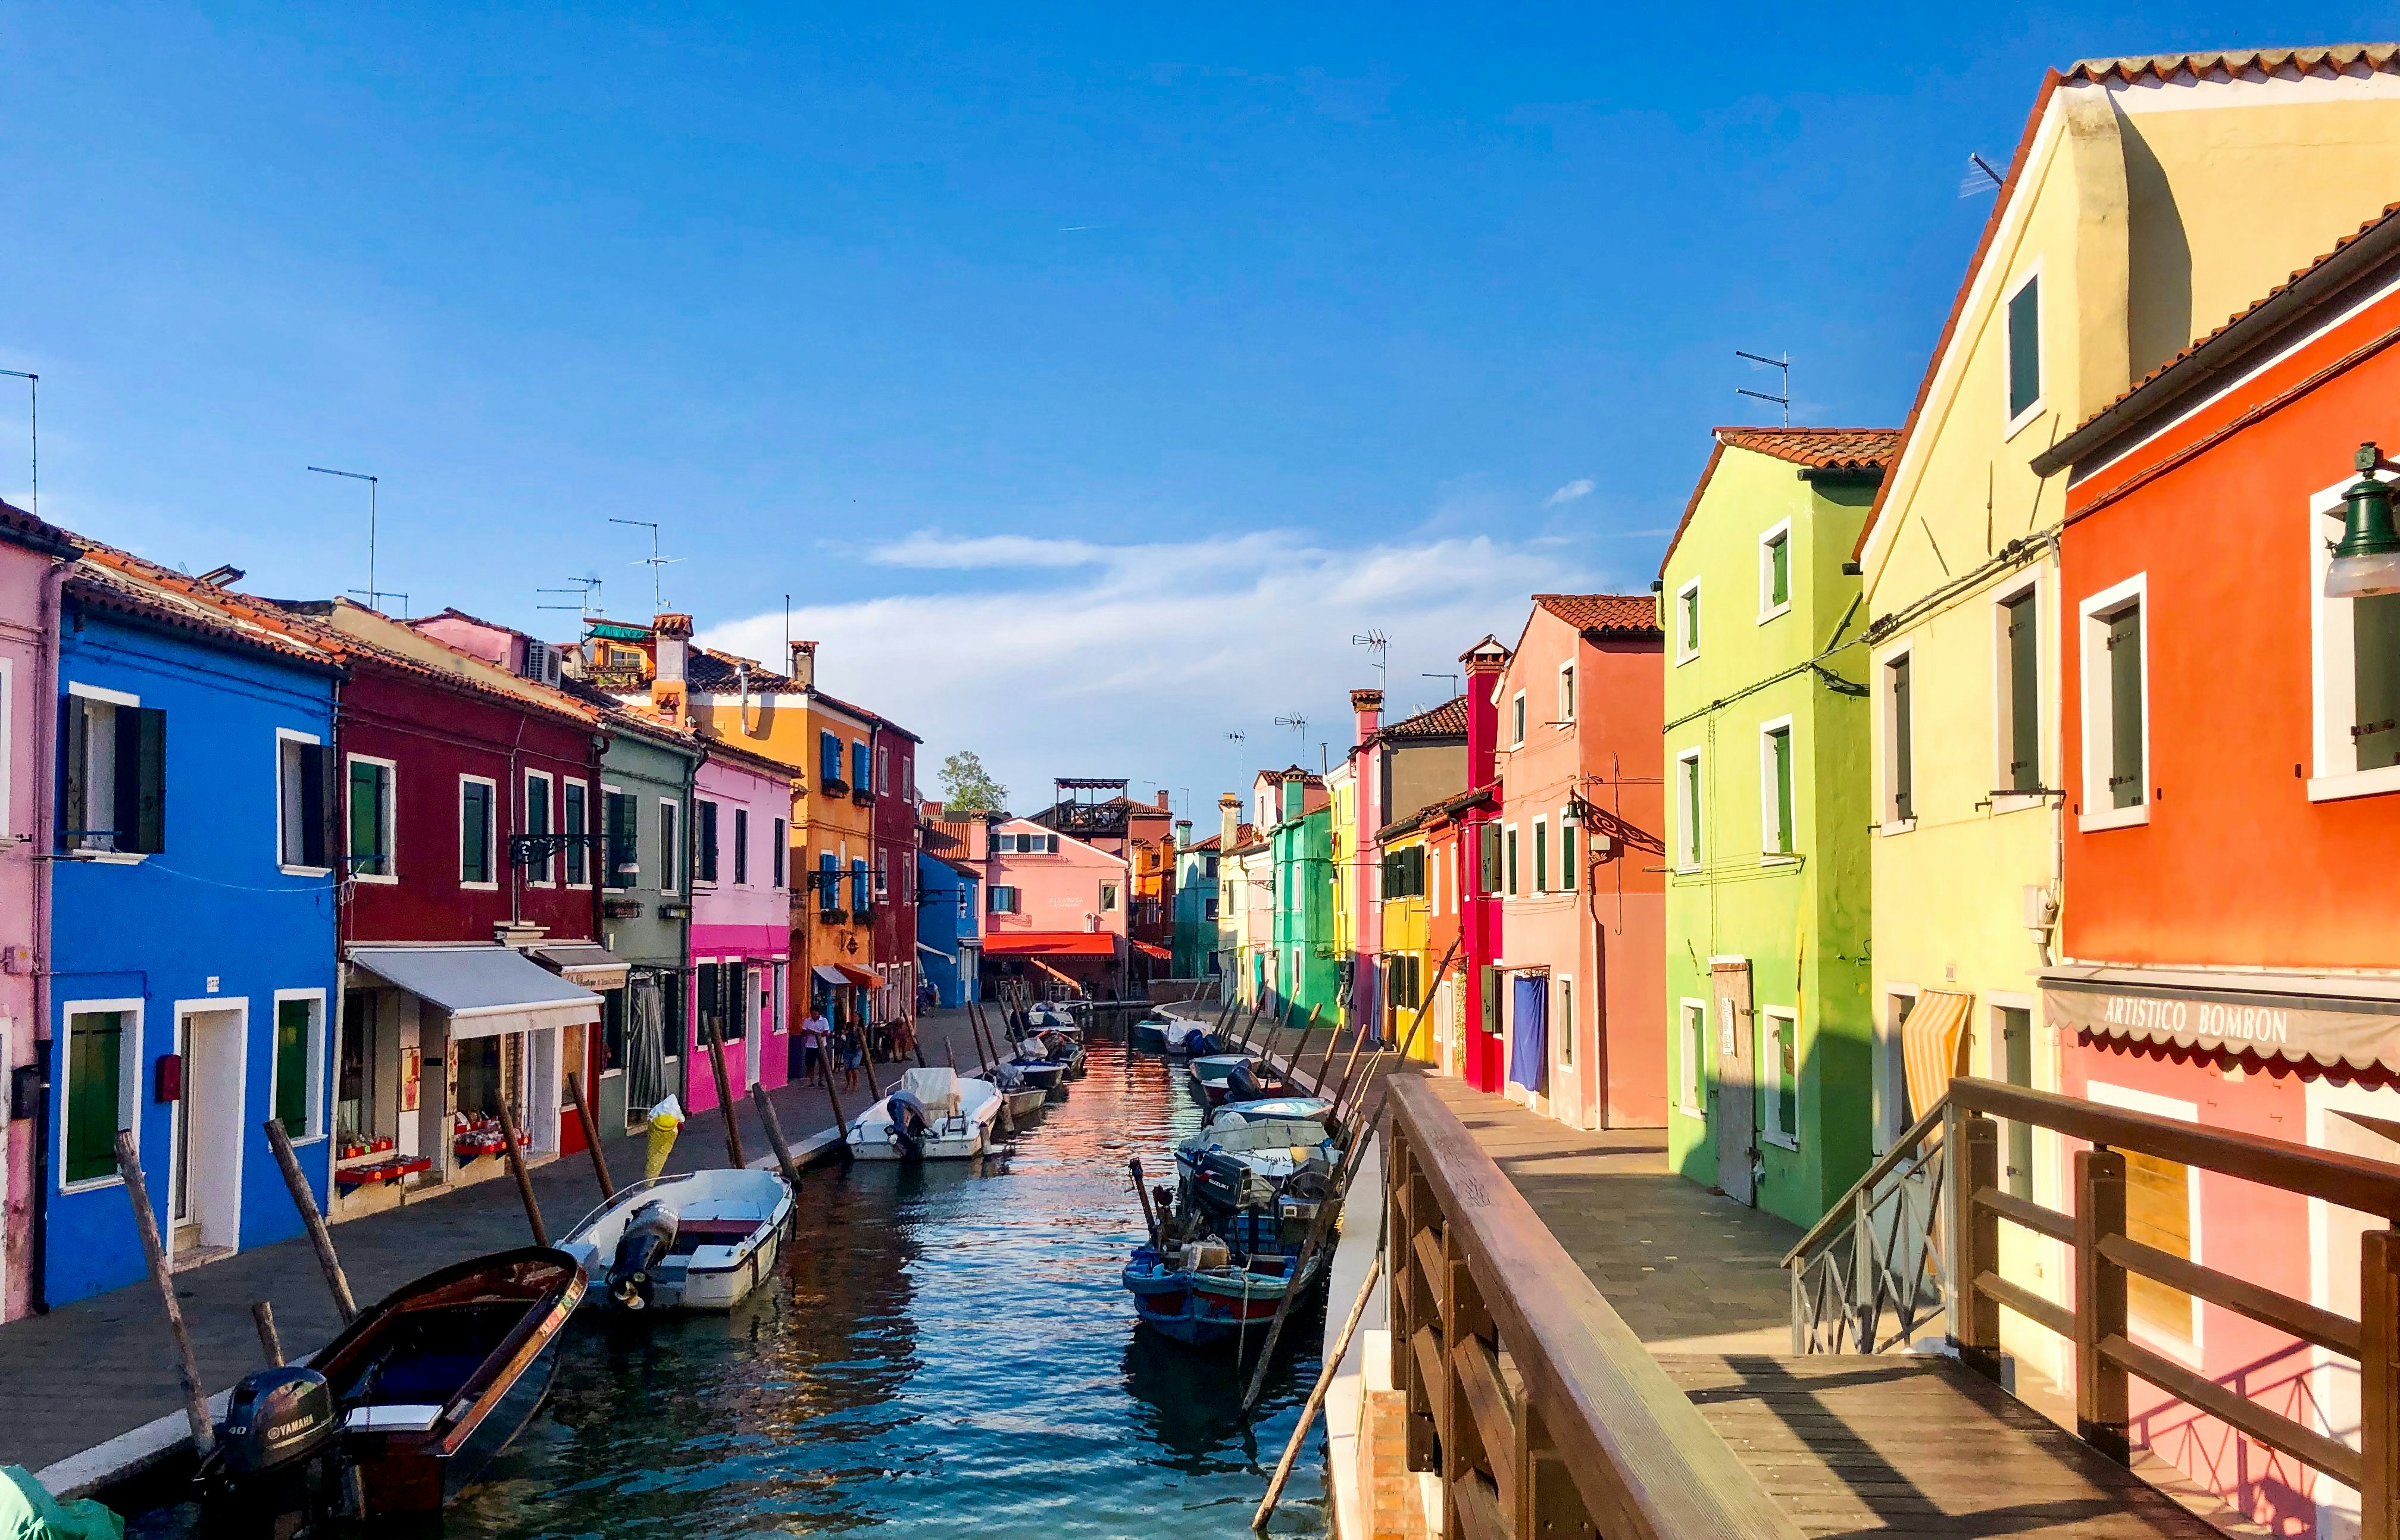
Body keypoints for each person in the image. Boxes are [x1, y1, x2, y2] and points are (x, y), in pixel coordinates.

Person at [801, 1004, 833, 1087]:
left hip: (821, 1045)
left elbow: (827, 1033)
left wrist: (817, 1034)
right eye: (812, 1014)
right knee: (810, 1065)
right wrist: (808, 1032)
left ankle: (821, 1079)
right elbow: (803, 1032)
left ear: (819, 1013)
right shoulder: (807, 1021)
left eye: (815, 1014)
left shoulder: (824, 1021)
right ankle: (812, 1080)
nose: (814, 1015)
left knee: (822, 1063)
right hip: (810, 1045)